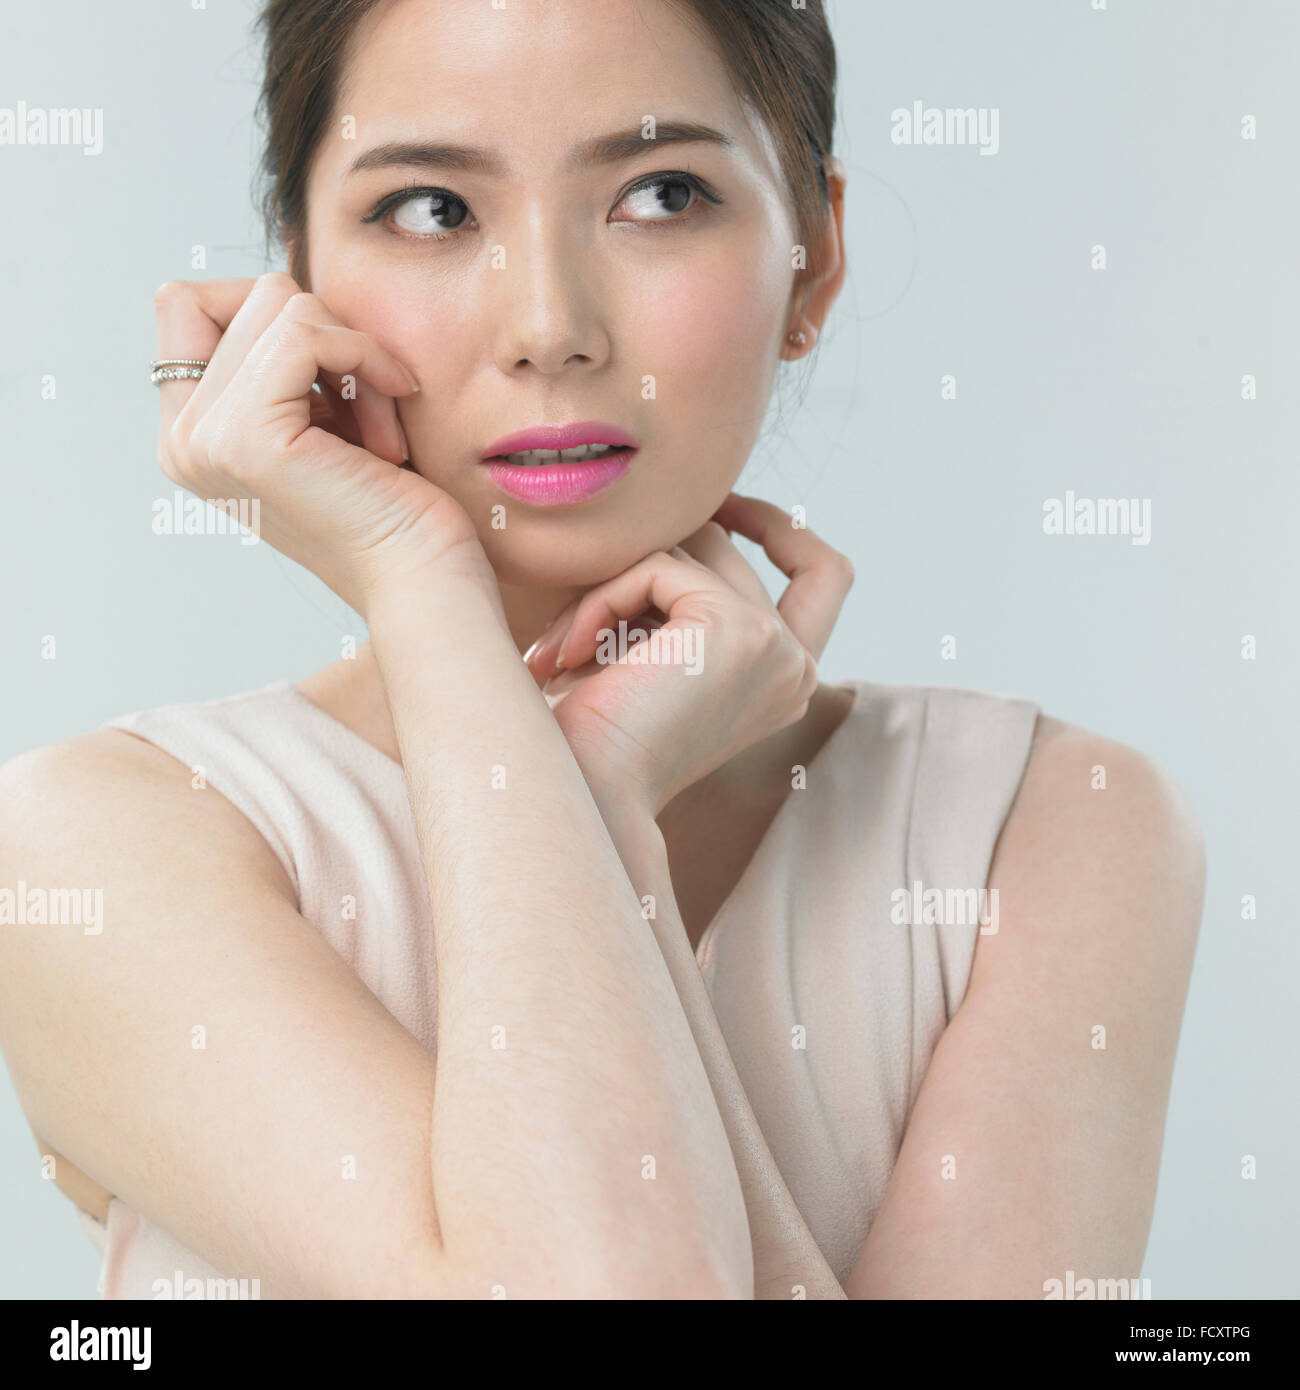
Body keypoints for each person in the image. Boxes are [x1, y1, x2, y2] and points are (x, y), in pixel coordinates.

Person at [0, 0, 1204, 1299]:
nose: (550, 323)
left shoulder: (1048, 824)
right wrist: (425, 591)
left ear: (813, 260)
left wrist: (609, 808)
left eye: (663, 191)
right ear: (299, 279)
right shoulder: (99, 842)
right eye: (431, 209)